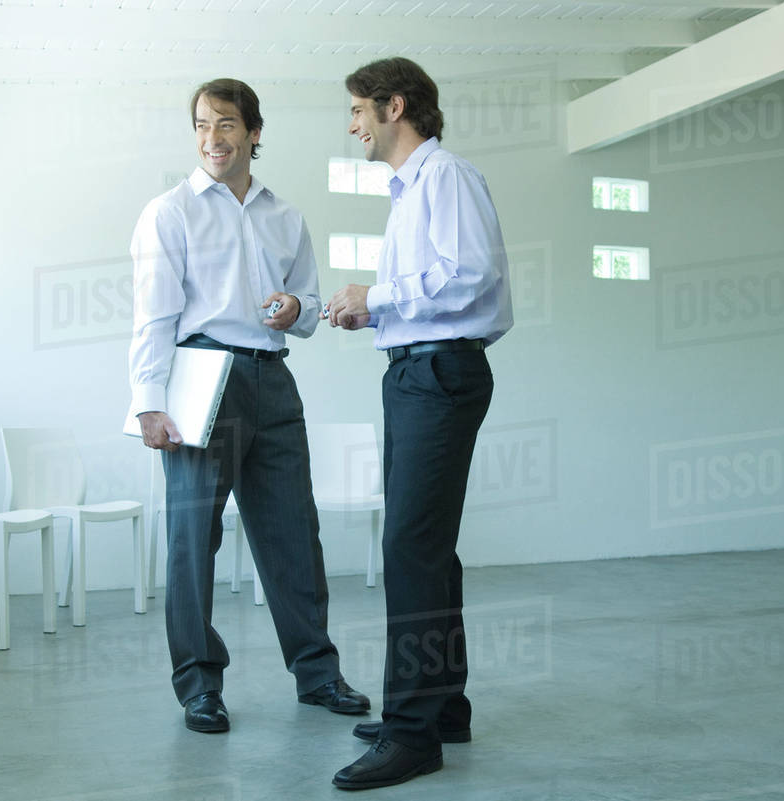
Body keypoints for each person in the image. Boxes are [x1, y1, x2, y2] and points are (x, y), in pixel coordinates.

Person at [129, 78, 368, 733]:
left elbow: (309, 309)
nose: (213, 137)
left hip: (273, 379)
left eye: (227, 124)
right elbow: (153, 314)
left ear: (254, 133)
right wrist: (148, 400)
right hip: (202, 379)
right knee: (192, 542)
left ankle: (317, 674)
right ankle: (198, 685)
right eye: (203, 125)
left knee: (295, 535)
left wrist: (296, 308)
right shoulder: (170, 211)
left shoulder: (284, 217)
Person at [325, 57, 514, 789]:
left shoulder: (446, 177)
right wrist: (372, 309)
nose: (351, 125)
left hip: (439, 373)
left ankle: (412, 735)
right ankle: (443, 709)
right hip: (415, 372)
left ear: (392, 106)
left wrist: (377, 297)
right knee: (427, 549)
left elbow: (470, 274)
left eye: (356, 111)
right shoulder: (410, 192)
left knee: (410, 548)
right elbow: (427, 290)